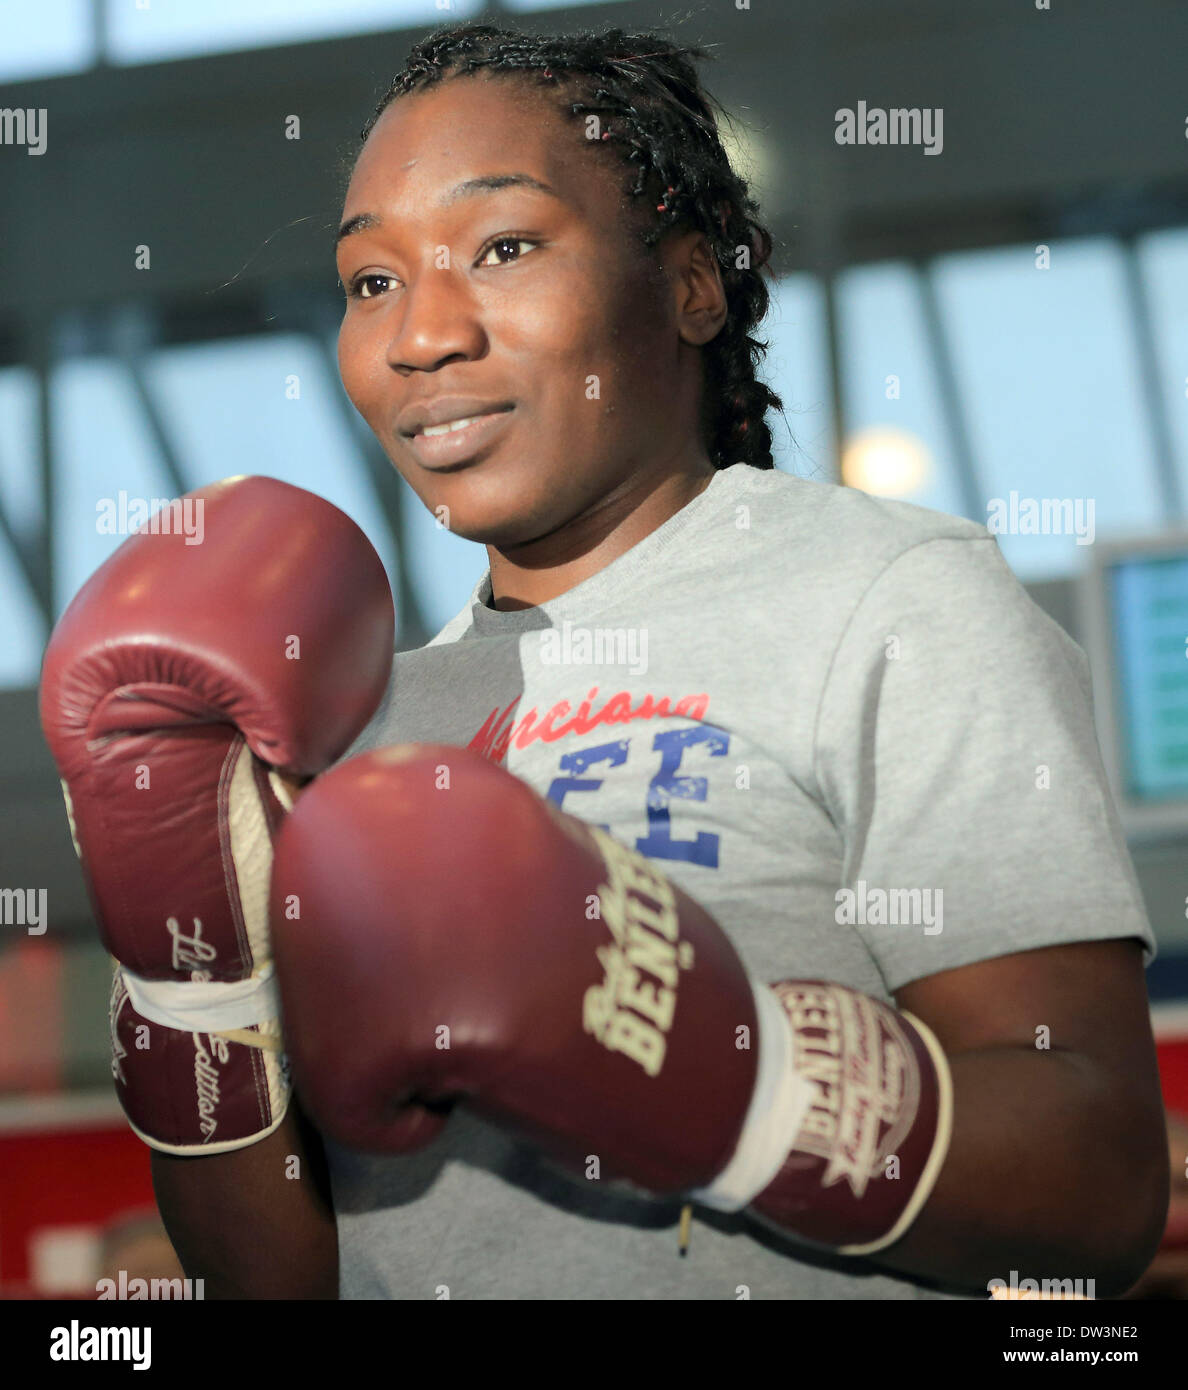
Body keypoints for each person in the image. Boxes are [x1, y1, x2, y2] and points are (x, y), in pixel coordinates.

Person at [46, 21, 1169, 1300]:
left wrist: (733, 1082)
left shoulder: (891, 598)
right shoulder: (347, 729)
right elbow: (282, 1280)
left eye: (505, 247)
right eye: (372, 282)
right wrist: (187, 980)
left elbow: (1099, 1186)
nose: (423, 336)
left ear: (692, 284)